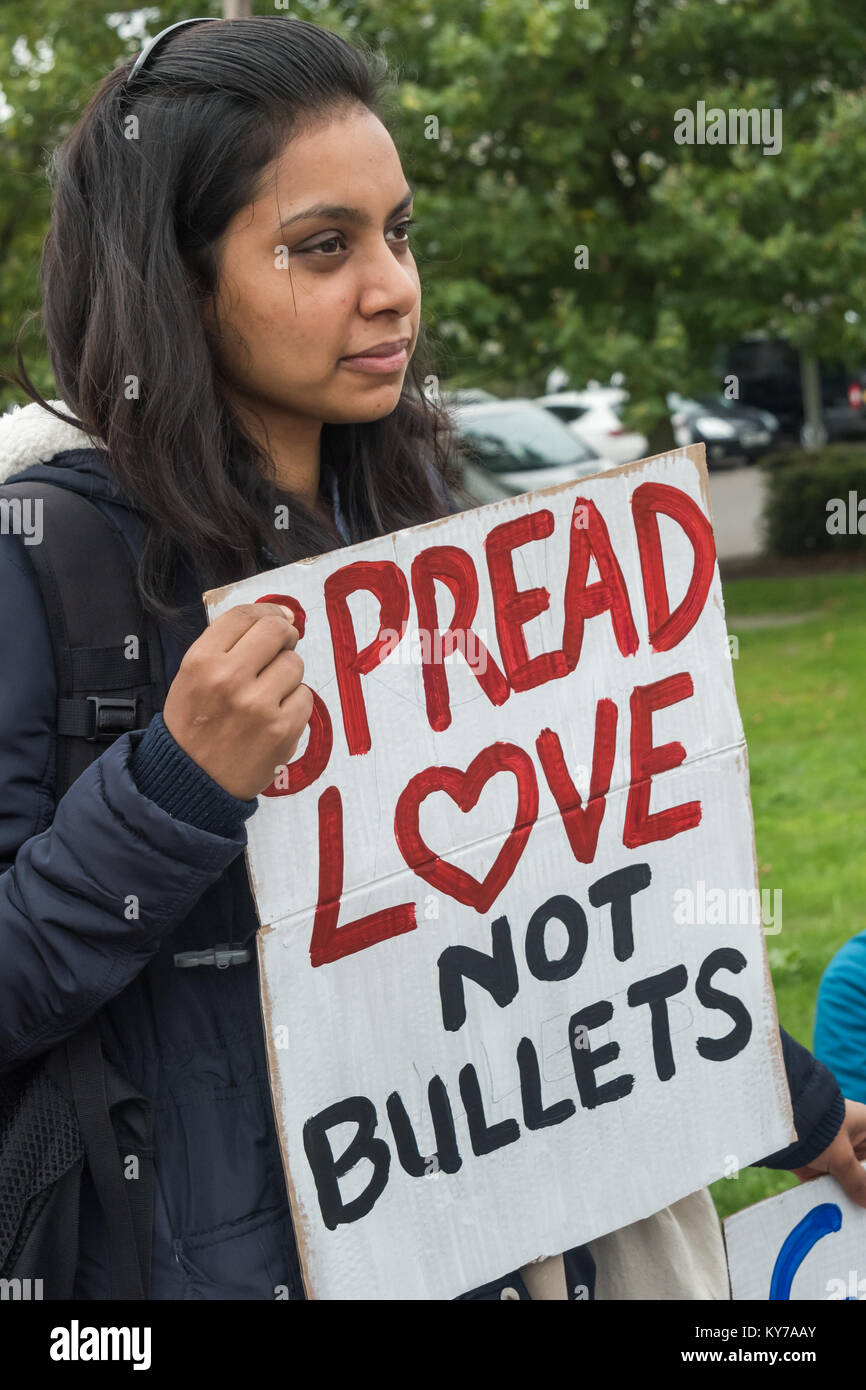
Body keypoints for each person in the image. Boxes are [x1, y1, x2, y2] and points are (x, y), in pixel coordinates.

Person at [1, 15, 864, 1302]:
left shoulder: (432, 537)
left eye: (397, 232)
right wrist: (173, 786)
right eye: (320, 246)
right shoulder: (43, 559)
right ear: (173, 283)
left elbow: (566, 903)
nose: (392, 284)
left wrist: (784, 1095)